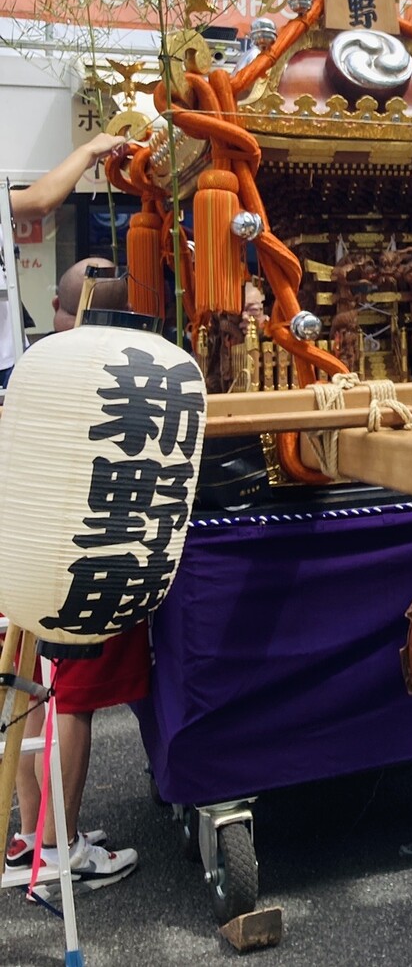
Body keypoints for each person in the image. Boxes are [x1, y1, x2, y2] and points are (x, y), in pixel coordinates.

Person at [7, 256, 142, 889]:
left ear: (61, 310)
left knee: (33, 690)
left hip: (20, 553)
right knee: (73, 703)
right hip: (77, 558)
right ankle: (61, 851)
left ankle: (34, 836)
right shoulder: (114, 368)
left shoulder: (29, 367)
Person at [1, 134, 129, 387]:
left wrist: (90, 152)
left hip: (9, 353)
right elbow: (40, 200)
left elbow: (41, 199)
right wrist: (89, 150)